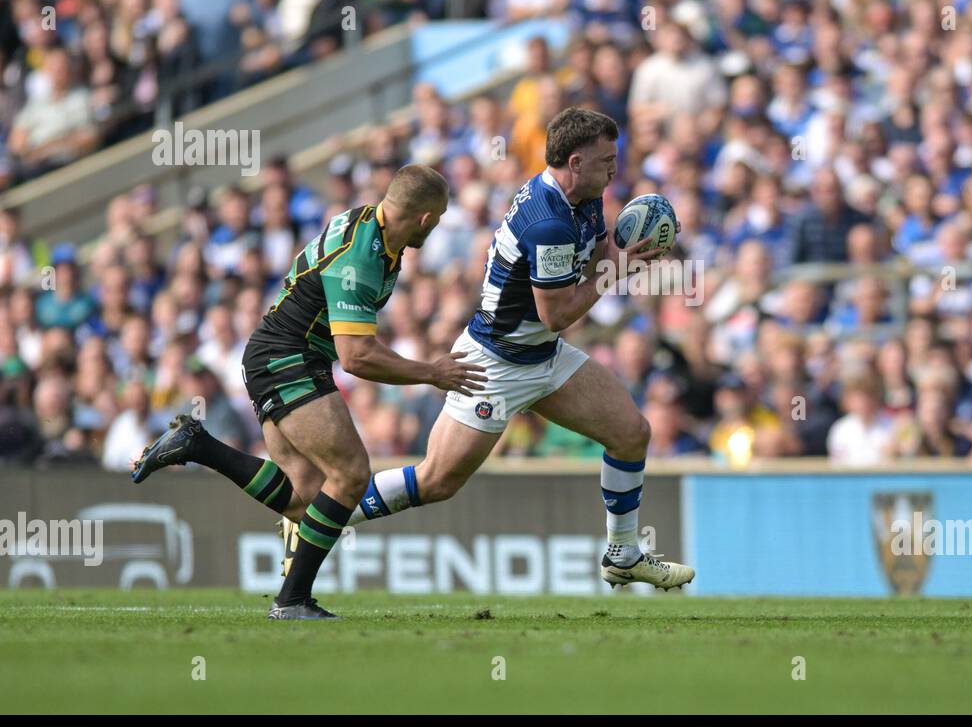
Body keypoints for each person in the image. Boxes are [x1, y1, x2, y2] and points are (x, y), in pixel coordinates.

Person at [332, 107, 695, 591]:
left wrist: (632, 249)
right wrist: (617, 271)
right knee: (438, 480)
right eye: (607, 159)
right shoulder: (548, 222)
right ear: (574, 161)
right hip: (494, 363)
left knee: (631, 433)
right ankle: (321, 517)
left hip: (541, 353)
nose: (615, 168)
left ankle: (623, 554)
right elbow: (558, 313)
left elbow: (593, 262)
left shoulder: (584, 194)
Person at [131, 164, 485, 619]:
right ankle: (292, 600)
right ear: (425, 219)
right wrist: (431, 372)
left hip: (280, 354)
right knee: (352, 473)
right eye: (436, 221)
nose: (434, 230)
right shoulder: (361, 256)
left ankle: (198, 445)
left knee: (303, 496)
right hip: (287, 358)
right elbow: (357, 357)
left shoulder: (370, 224)